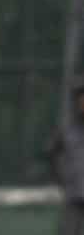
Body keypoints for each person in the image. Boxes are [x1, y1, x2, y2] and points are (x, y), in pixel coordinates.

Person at [51, 76, 84, 235]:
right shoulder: (67, 131)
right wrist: (64, 179)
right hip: (74, 196)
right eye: (81, 97)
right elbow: (54, 156)